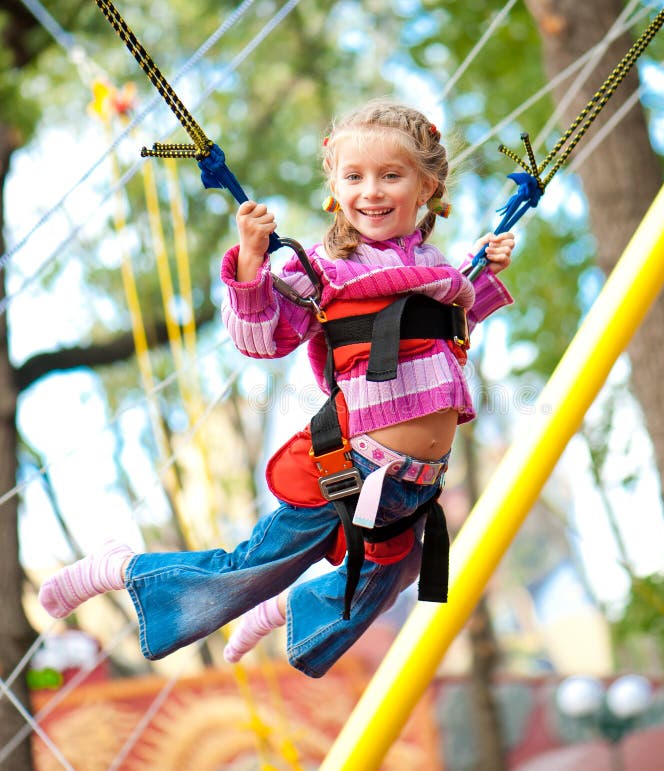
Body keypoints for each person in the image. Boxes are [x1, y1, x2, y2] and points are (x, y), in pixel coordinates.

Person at [39, 100, 516, 678]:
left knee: (391, 574)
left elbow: (445, 345)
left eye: (391, 176)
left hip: (415, 482)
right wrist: (250, 263)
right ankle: (120, 569)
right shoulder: (324, 269)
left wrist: (482, 275)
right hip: (351, 463)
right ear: (335, 188)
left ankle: (289, 607)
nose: (372, 191)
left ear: (426, 186)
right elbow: (261, 339)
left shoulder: (439, 269)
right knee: (251, 568)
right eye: (355, 177)